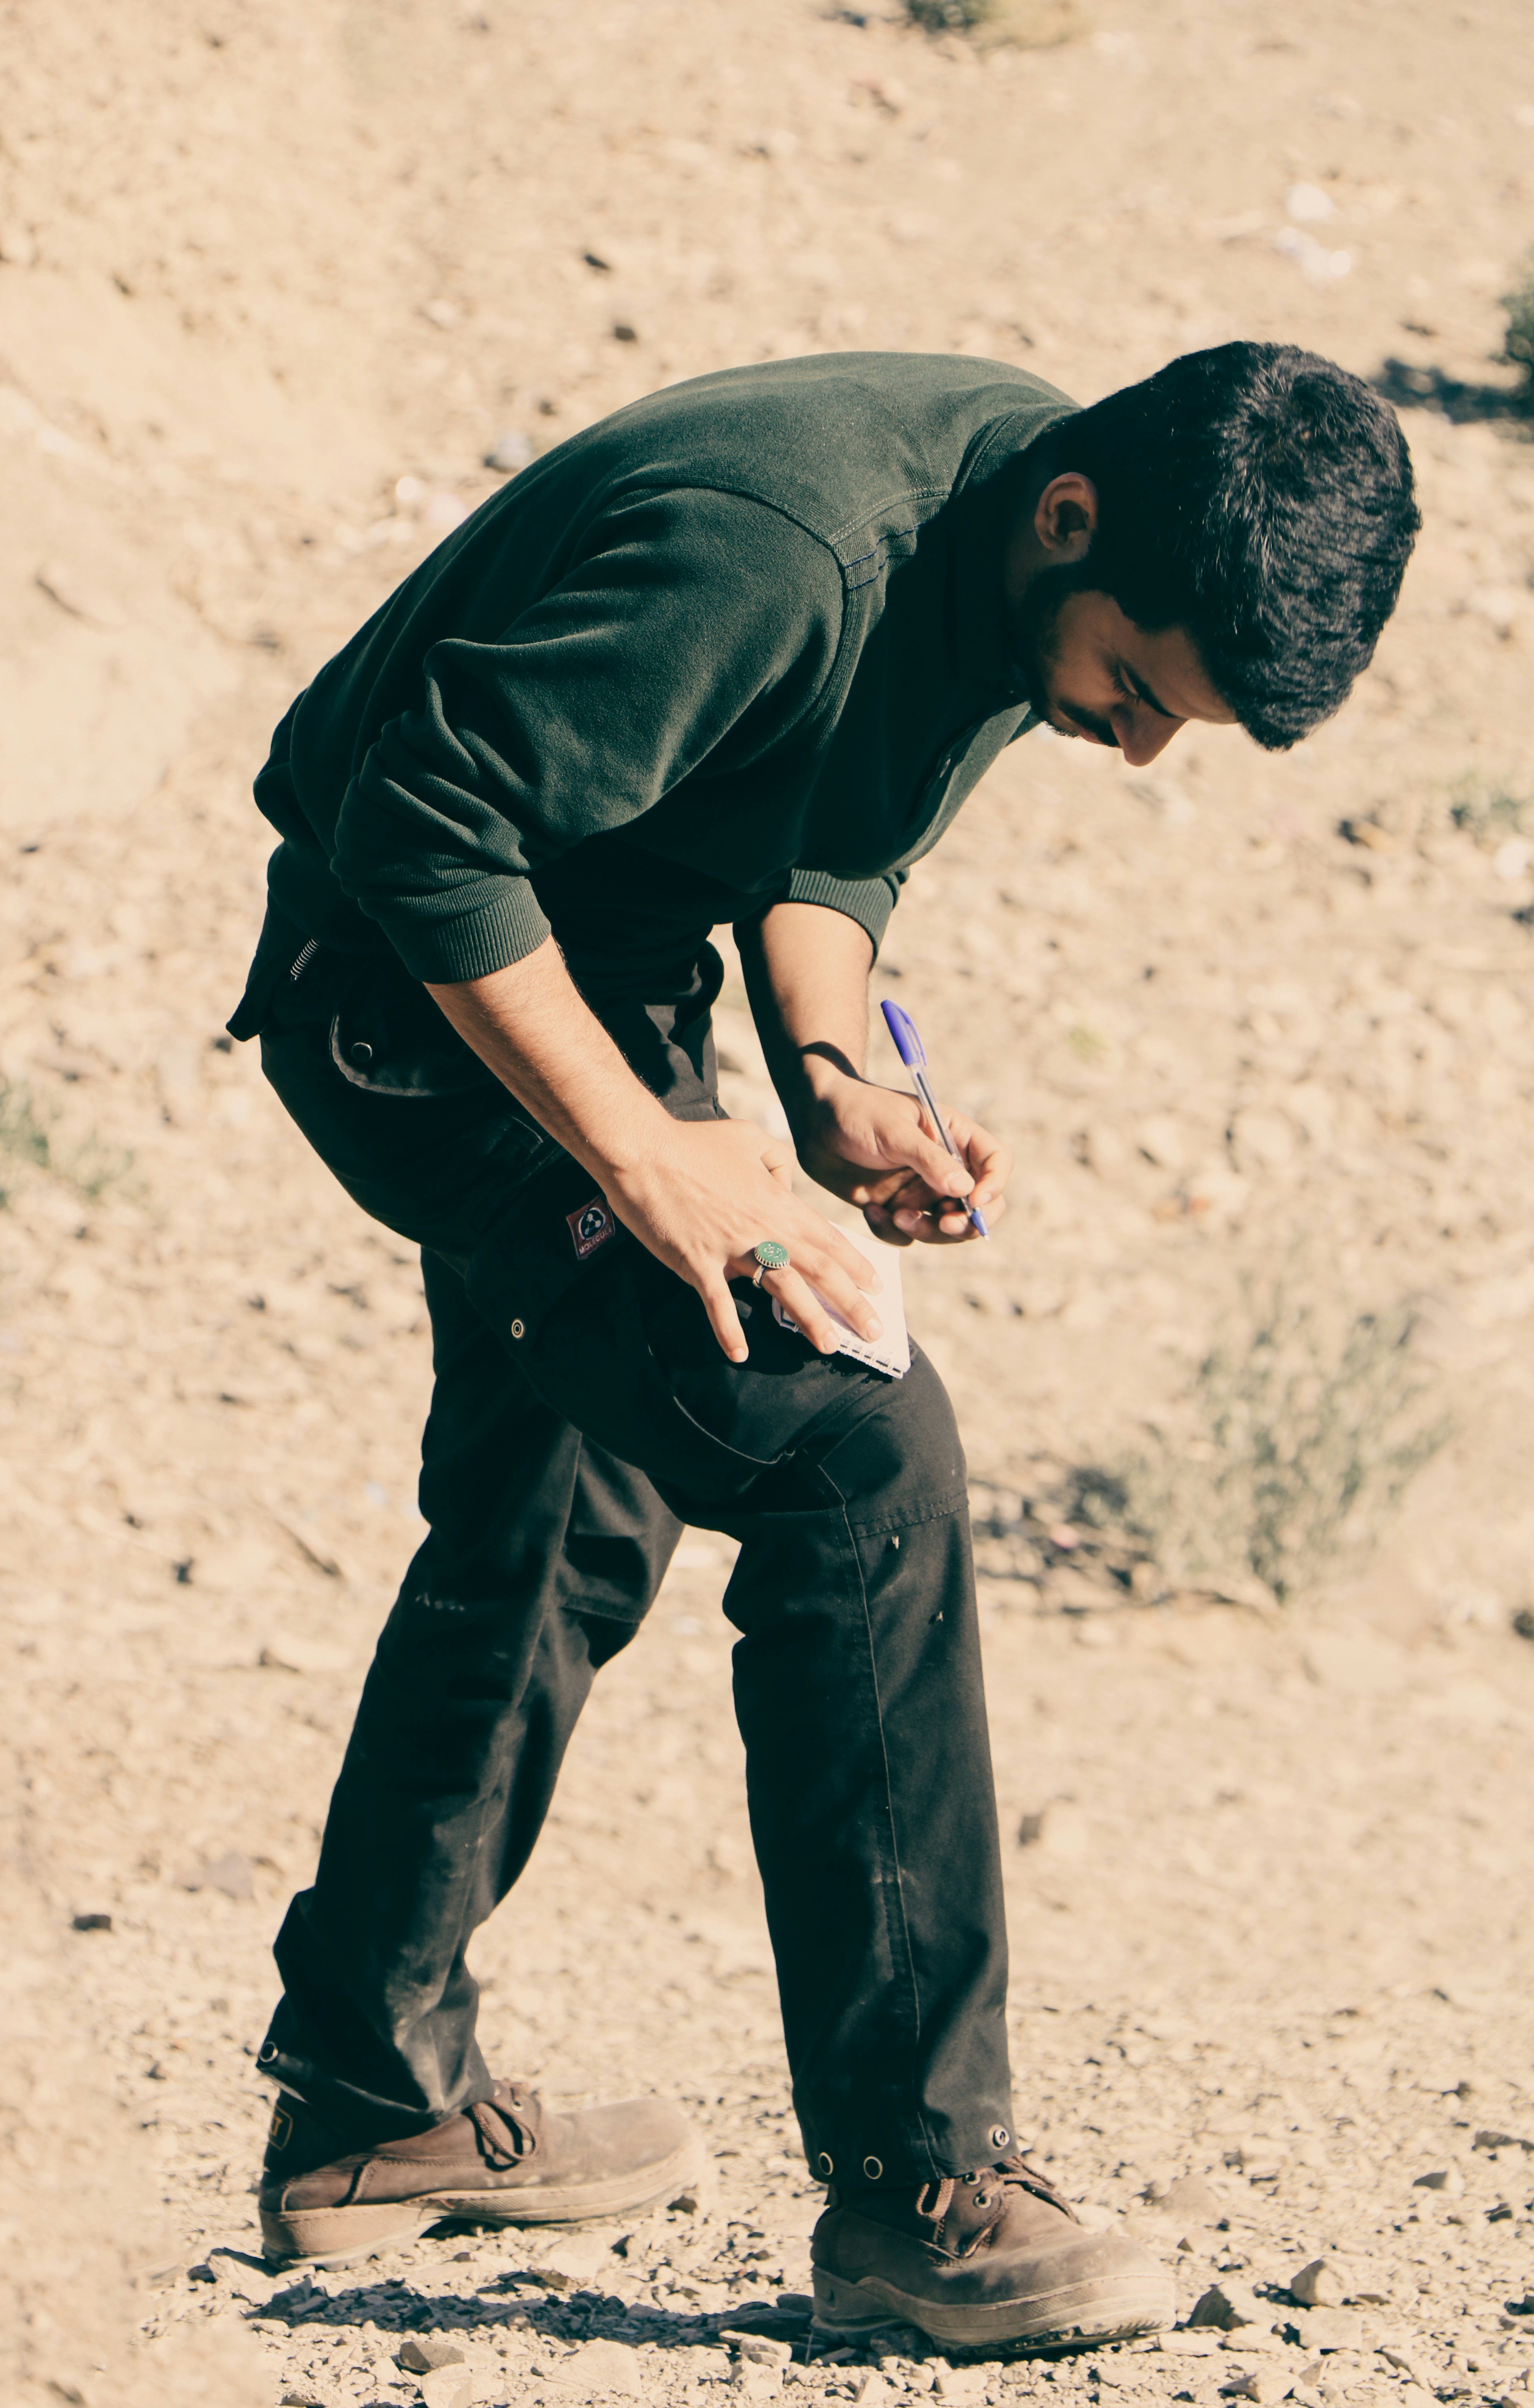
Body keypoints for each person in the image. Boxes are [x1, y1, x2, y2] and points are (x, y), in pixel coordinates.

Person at [226, 343, 1418, 2349]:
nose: (1131, 748)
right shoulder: (776, 551)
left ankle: (370, 2096)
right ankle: (919, 2182)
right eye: (1132, 693)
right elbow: (414, 820)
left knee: (562, 1494)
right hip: (413, 996)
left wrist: (841, 1089)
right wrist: (659, 1167)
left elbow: (832, 850)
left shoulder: (1028, 527)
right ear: (1070, 527)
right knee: (855, 1460)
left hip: (596, 990)